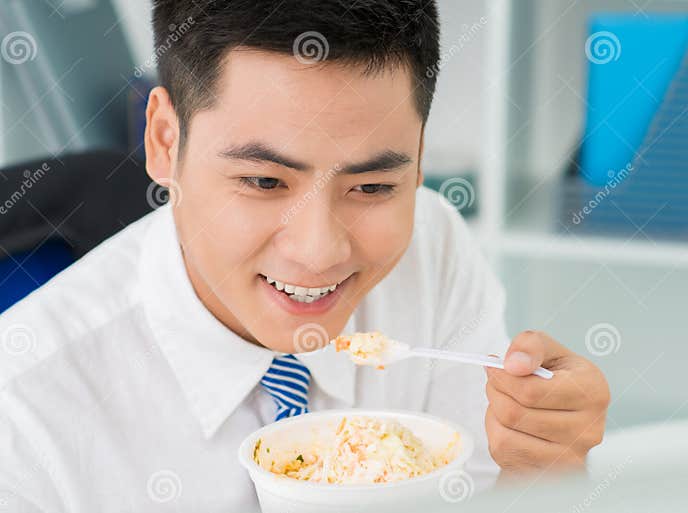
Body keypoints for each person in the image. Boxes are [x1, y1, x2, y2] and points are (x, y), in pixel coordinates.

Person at [0, 1, 610, 510]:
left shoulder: (433, 246)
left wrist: (539, 476)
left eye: (372, 188)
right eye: (264, 182)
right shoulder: (23, 419)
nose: (318, 253)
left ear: (420, 157)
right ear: (165, 141)